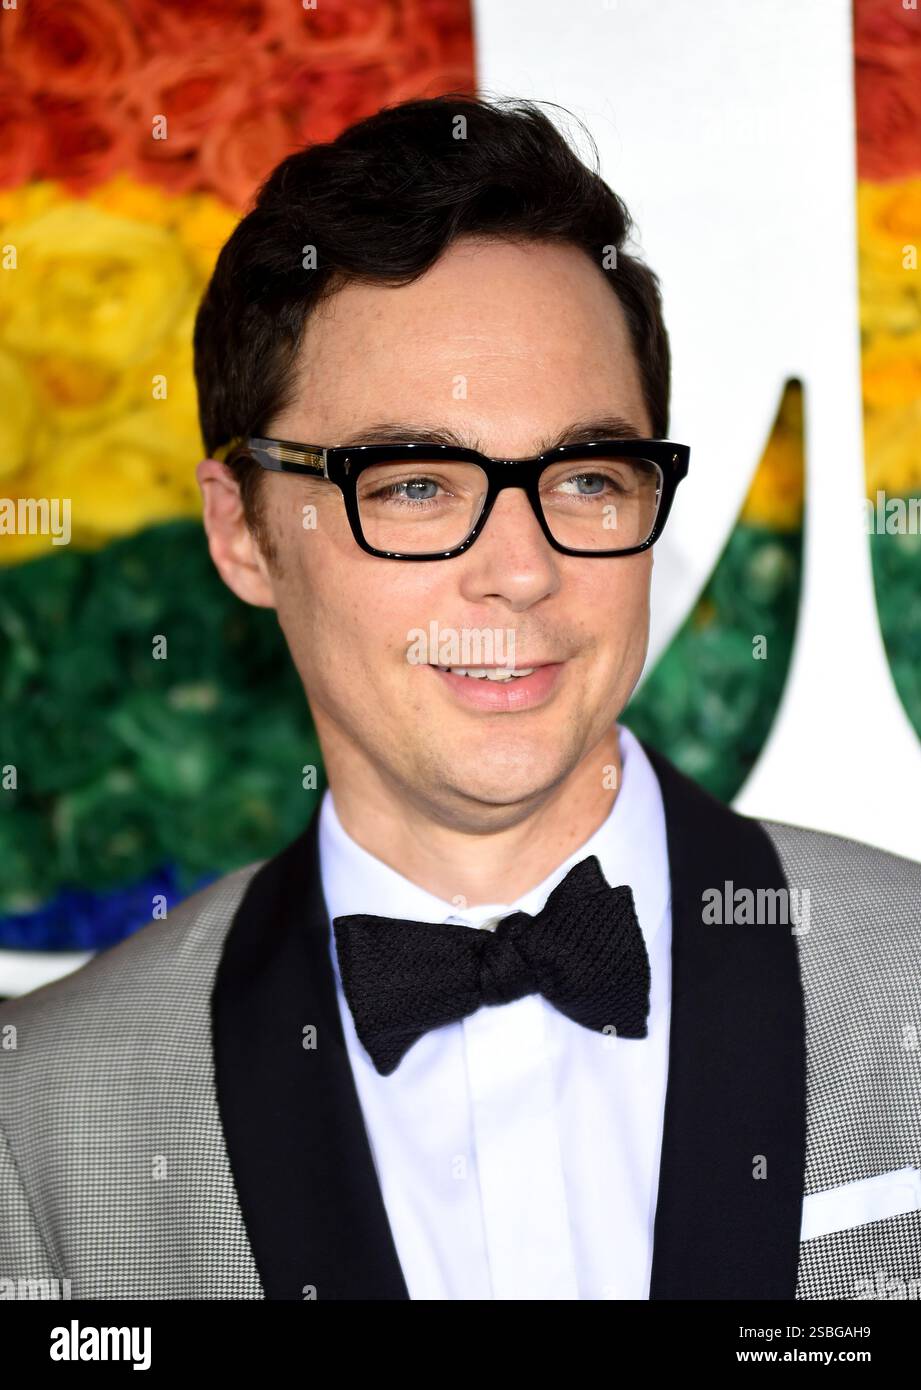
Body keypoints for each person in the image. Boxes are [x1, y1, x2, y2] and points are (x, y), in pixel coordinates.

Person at [1, 95, 919, 1303]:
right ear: (243, 532)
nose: (523, 568)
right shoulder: (44, 1122)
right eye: (417, 485)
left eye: (587, 476)